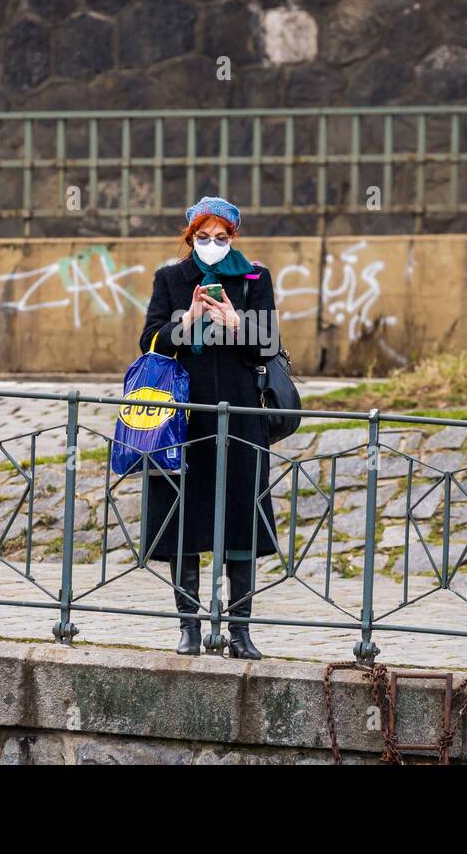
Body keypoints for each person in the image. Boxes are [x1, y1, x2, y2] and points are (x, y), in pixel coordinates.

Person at [138, 196, 281, 659]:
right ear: (190, 238)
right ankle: (189, 627)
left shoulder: (256, 278)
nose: (213, 245)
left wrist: (237, 324)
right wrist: (191, 318)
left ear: (233, 237)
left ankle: (239, 630)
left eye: (221, 238)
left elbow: (269, 346)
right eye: (204, 238)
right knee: (185, 520)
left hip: (240, 415)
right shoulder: (170, 279)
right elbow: (152, 344)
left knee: (242, 519)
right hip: (184, 418)